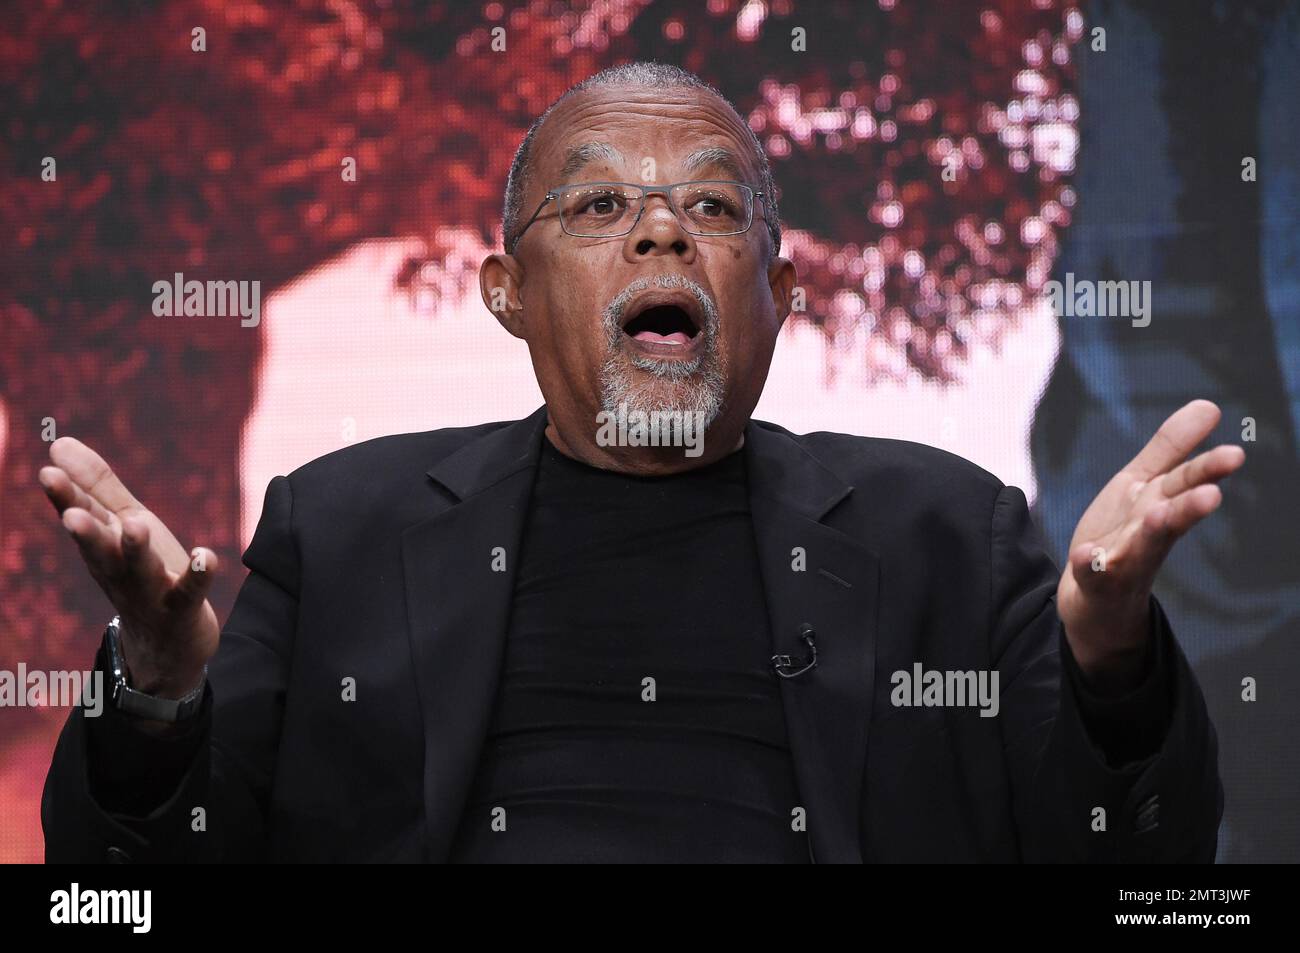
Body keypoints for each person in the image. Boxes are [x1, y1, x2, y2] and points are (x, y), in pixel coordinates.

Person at [40, 63, 1242, 863]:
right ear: (506, 295)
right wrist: (155, 688)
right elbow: (119, 889)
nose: (661, 228)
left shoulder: (947, 532)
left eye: (714, 211)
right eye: (597, 204)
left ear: (779, 296)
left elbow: (1146, 867)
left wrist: (1109, 660)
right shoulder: (342, 526)